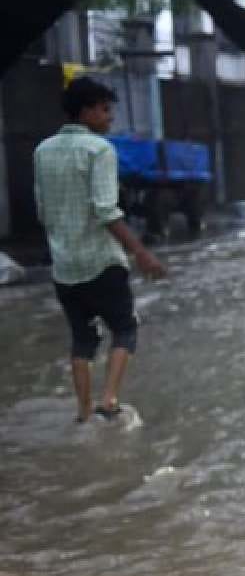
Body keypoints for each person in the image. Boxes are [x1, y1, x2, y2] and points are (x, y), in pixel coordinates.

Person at [34, 76, 168, 423]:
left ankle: (82, 411)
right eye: (106, 110)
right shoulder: (100, 150)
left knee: (83, 338)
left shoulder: (42, 151)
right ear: (88, 110)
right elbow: (106, 210)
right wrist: (140, 251)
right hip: (101, 260)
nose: (110, 118)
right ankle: (109, 399)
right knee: (125, 328)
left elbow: (42, 209)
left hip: (64, 264)